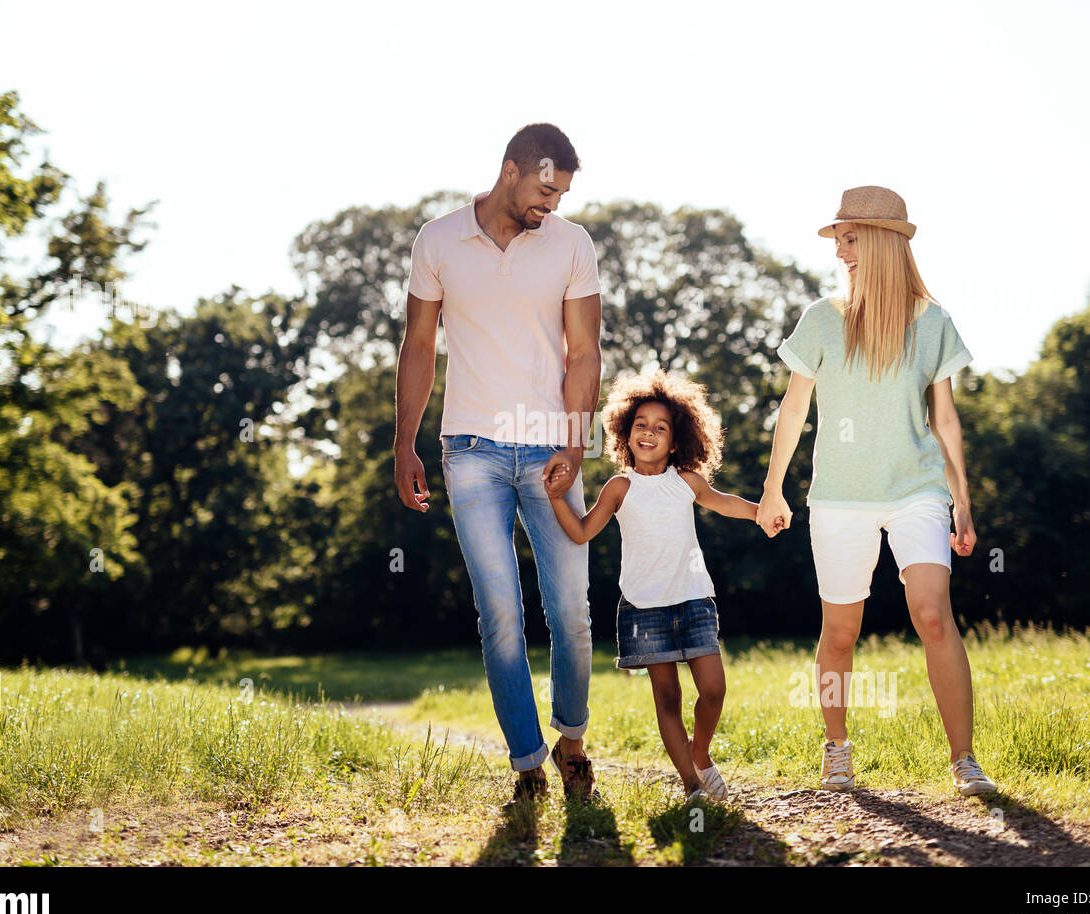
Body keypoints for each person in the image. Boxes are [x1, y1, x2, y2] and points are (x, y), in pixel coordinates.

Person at [756, 185, 998, 796]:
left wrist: (961, 497)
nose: (840, 251)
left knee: (933, 615)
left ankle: (964, 760)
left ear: (886, 241)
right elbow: (793, 408)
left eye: (851, 237)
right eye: (838, 239)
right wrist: (772, 488)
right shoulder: (821, 320)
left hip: (916, 488)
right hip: (838, 495)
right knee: (839, 632)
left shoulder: (933, 322)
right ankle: (837, 750)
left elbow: (945, 419)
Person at [393, 123, 603, 806]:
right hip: (471, 453)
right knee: (501, 615)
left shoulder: (572, 244)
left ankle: (571, 738)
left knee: (570, 608)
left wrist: (576, 444)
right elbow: (419, 345)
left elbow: (584, 353)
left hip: (550, 450)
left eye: (562, 193)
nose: (552, 204)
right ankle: (527, 761)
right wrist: (406, 442)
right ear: (510, 169)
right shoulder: (439, 239)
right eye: (545, 190)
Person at [548, 368, 761, 802]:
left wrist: (763, 512)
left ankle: (699, 755)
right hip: (644, 609)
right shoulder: (619, 487)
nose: (649, 433)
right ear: (625, 433)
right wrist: (555, 498)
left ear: (677, 439)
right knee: (667, 697)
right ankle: (691, 786)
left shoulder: (686, 482)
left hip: (694, 599)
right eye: (640, 425)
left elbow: (725, 503)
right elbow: (583, 532)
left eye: (660, 428)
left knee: (714, 689)